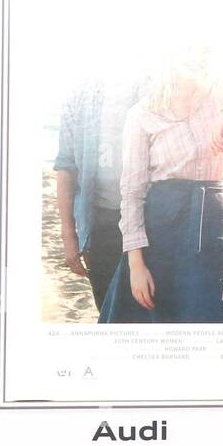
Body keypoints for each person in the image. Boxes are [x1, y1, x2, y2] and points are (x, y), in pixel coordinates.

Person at [98, 45, 223, 324]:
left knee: (215, 318)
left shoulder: (221, 93)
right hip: (160, 232)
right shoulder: (142, 113)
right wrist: (136, 265)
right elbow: (132, 193)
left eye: (207, 51)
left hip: (211, 227)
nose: (201, 57)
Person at [54, 74, 147, 312]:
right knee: (108, 310)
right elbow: (66, 166)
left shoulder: (153, 86)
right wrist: (69, 234)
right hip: (100, 221)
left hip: (150, 220)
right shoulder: (78, 95)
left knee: (148, 312)